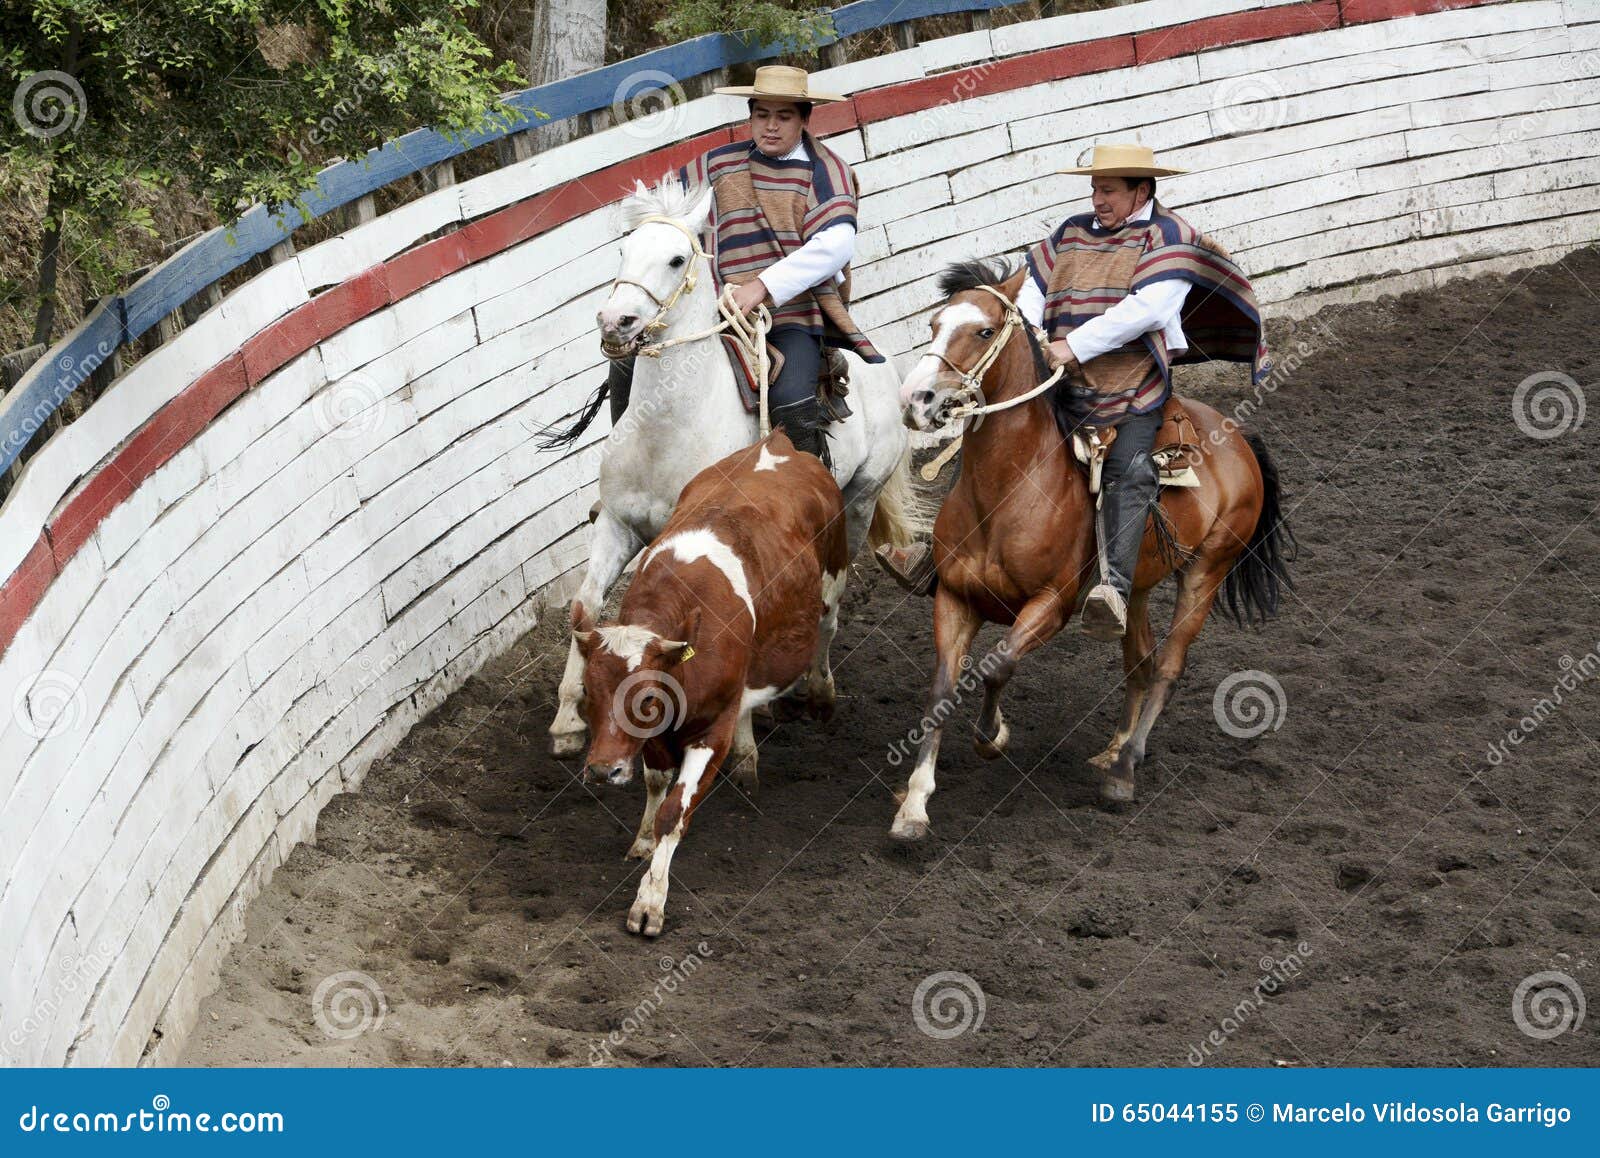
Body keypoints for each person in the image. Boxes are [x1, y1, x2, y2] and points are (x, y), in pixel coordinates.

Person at [1022, 143, 1270, 640]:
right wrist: (1033, 339)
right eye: (1094, 188)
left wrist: (1074, 345)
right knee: (995, 434)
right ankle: (946, 558)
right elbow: (1032, 286)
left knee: (1129, 469)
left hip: (1133, 384)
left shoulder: (1171, 236)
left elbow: (1150, 309)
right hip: (1060, 376)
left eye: (1108, 190)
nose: (1097, 199)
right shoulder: (1070, 232)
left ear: (1142, 190)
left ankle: (1112, 587)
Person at [603, 65, 883, 462]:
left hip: (790, 315)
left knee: (791, 398)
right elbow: (664, 208)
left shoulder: (826, 171)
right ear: (750, 116)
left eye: (783, 116)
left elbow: (835, 244)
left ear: (805, 119)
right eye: (761, 115)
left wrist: (762, 287)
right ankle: (624, 470)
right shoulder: (720, 164)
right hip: (714, 309)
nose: (770, 126)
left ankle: (807, 490)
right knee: (629, 363)